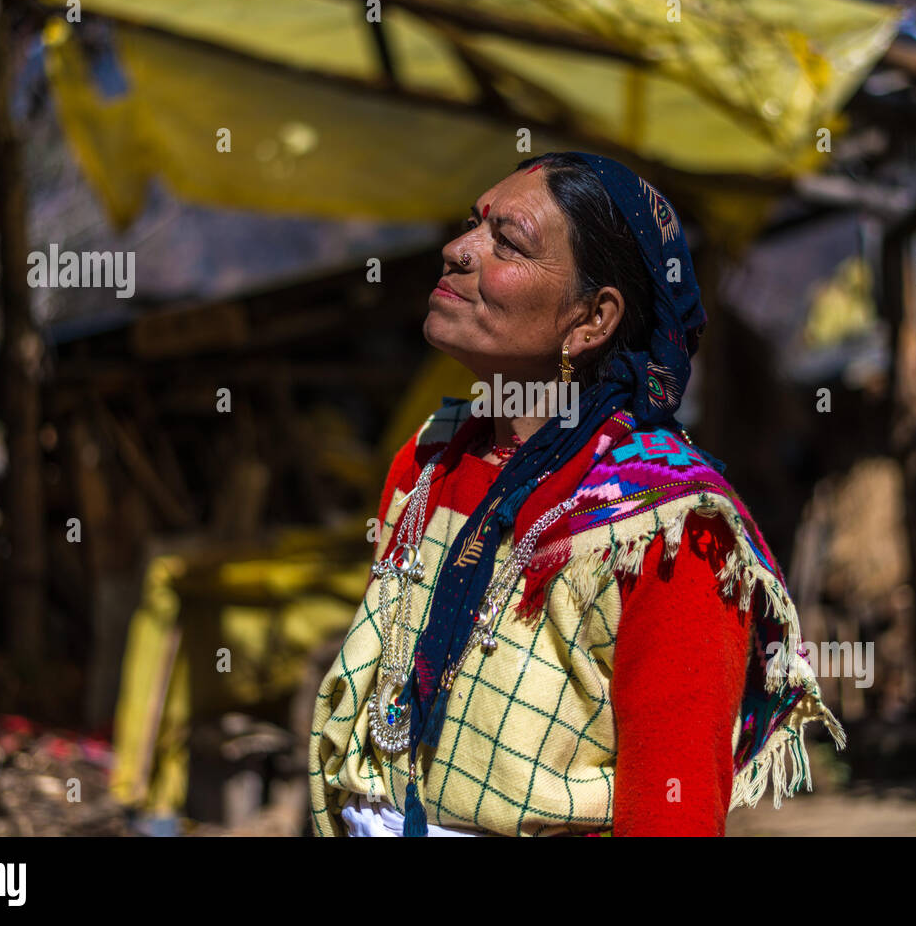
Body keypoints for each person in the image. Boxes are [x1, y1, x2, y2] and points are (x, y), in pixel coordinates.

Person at [307, 151, 844, 836]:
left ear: (592, 320)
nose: (456, 250)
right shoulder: (429, 461)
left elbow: (669, 815)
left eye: (508, 241)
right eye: (473, 224)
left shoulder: (670, 531)